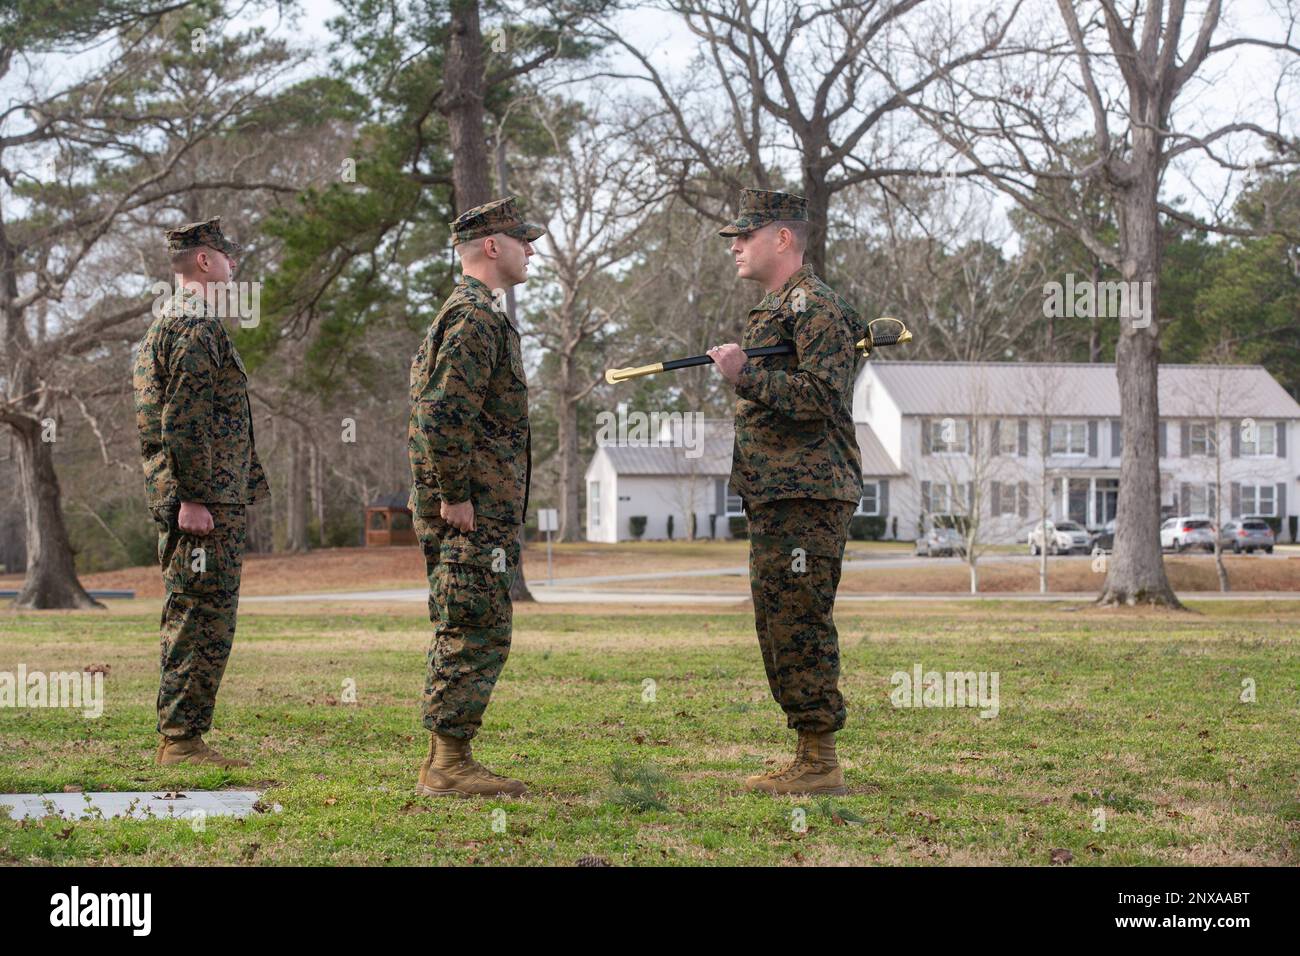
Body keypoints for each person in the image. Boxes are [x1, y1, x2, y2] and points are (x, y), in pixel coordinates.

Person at [708, 188, 864, 795]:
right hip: (776, 493)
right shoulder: (780, 306)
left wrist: (745, 376)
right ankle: (807, 749)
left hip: (809, 493)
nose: (736, 248)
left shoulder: (815, 307)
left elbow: (822, 396)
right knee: (778, 621)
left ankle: (820, 760)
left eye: (745, 236)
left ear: (782, 238)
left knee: (799, 619)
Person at [408, 196, 543, 797]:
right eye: (523, 239)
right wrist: (455, 495)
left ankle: (448, 756)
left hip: (480, 504)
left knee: (472, 621)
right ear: (492, 247)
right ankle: (448, 764)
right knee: (474, 626)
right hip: (471, 509)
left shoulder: (477, 314)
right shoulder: (473, 319)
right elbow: (442, 416)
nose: (531, 249)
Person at [133, 216, 268, 767]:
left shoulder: (178, 320)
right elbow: (181, 421)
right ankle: (182, 740)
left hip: (207, 495)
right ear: (206, 261)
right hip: (200, 500)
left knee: (198, 611)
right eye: (228, 256)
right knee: (200, 615)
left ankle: (184, 735)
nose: (235, 266)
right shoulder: (193, 324)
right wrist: (192, 497)